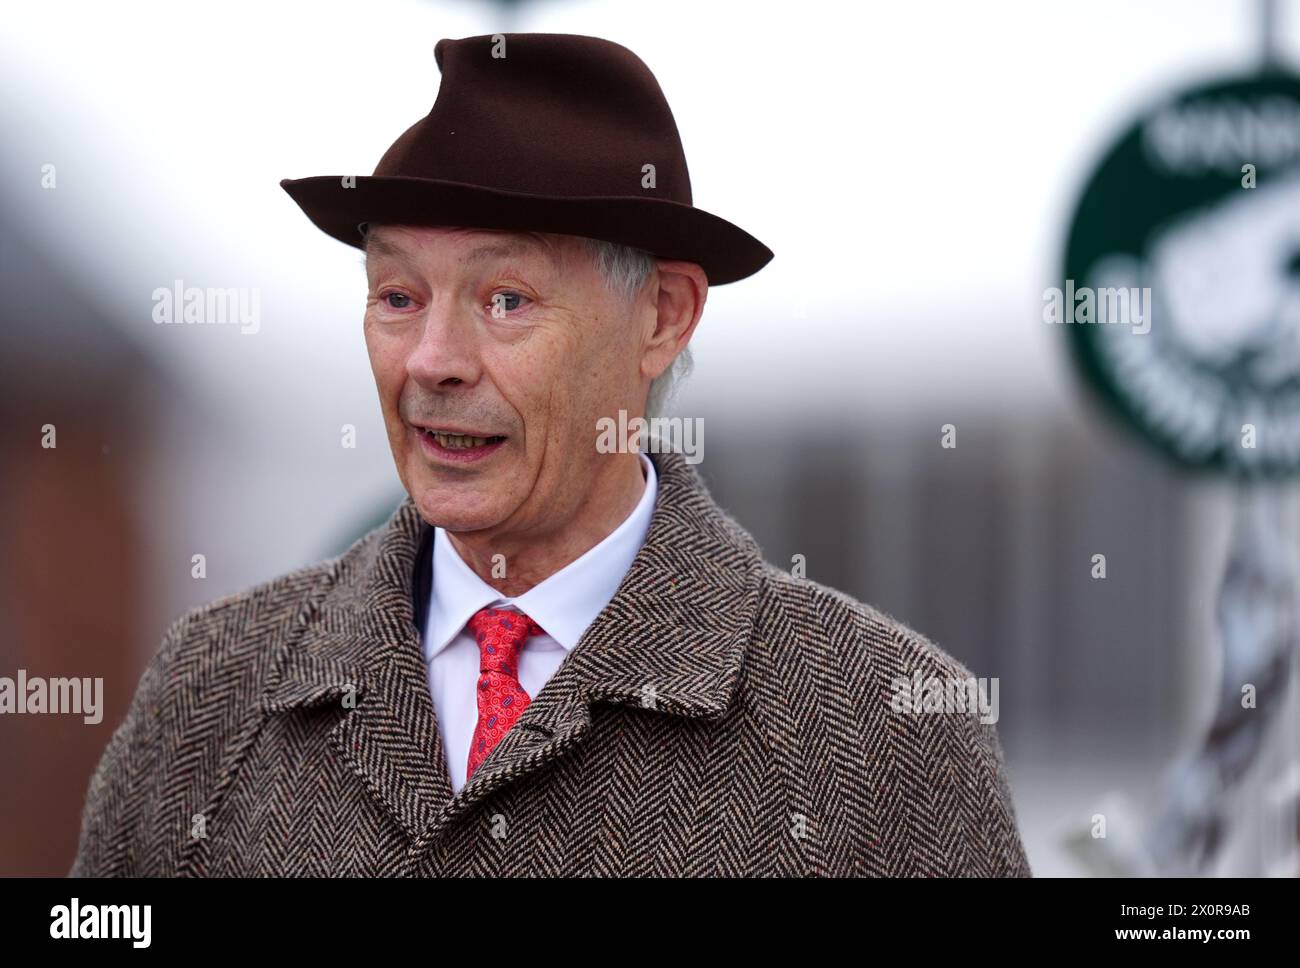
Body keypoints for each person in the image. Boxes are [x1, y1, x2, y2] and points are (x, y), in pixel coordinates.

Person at [71, 32, 1030, 876]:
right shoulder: (211, 690)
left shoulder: (885, 732)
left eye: (506, 300)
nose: (434, 362)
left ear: (661, 316)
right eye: (398, 296)